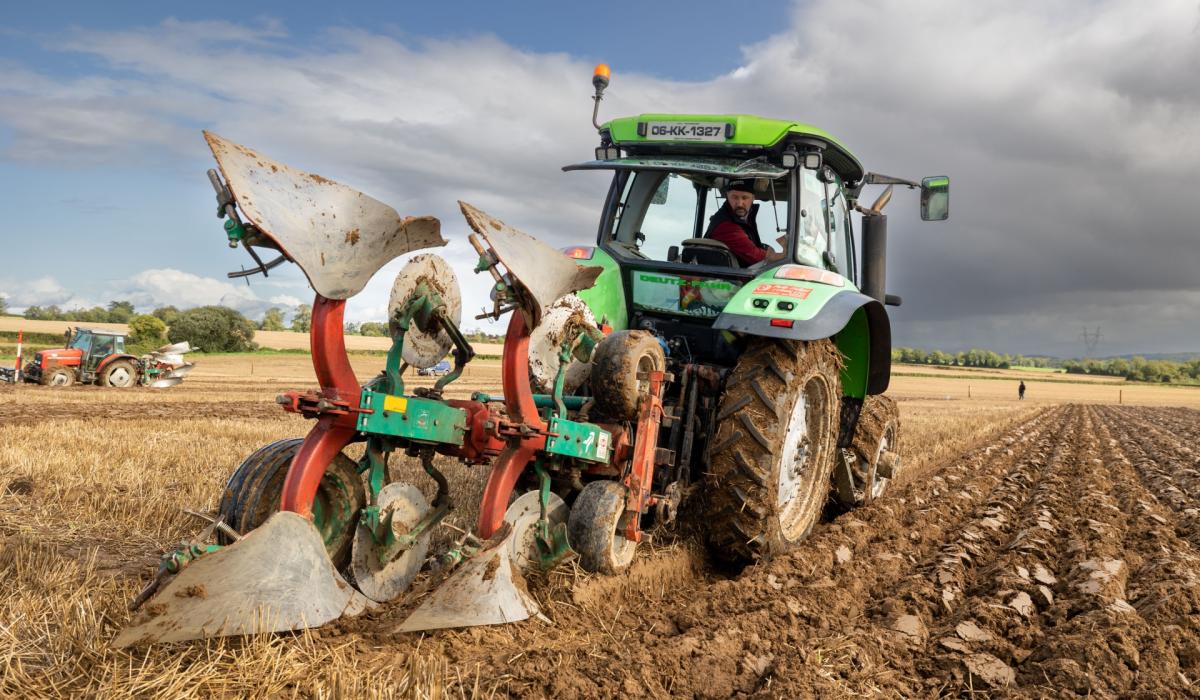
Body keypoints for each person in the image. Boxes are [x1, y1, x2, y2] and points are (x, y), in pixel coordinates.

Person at [704, 179, 786, 267]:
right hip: (729, 279)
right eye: (734, 197)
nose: (739, 203)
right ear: (727, 196)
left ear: (753, 198)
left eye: (745, 198)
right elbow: (755, 255)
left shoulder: (743, 218)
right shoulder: (725, 225)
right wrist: (786, 256)